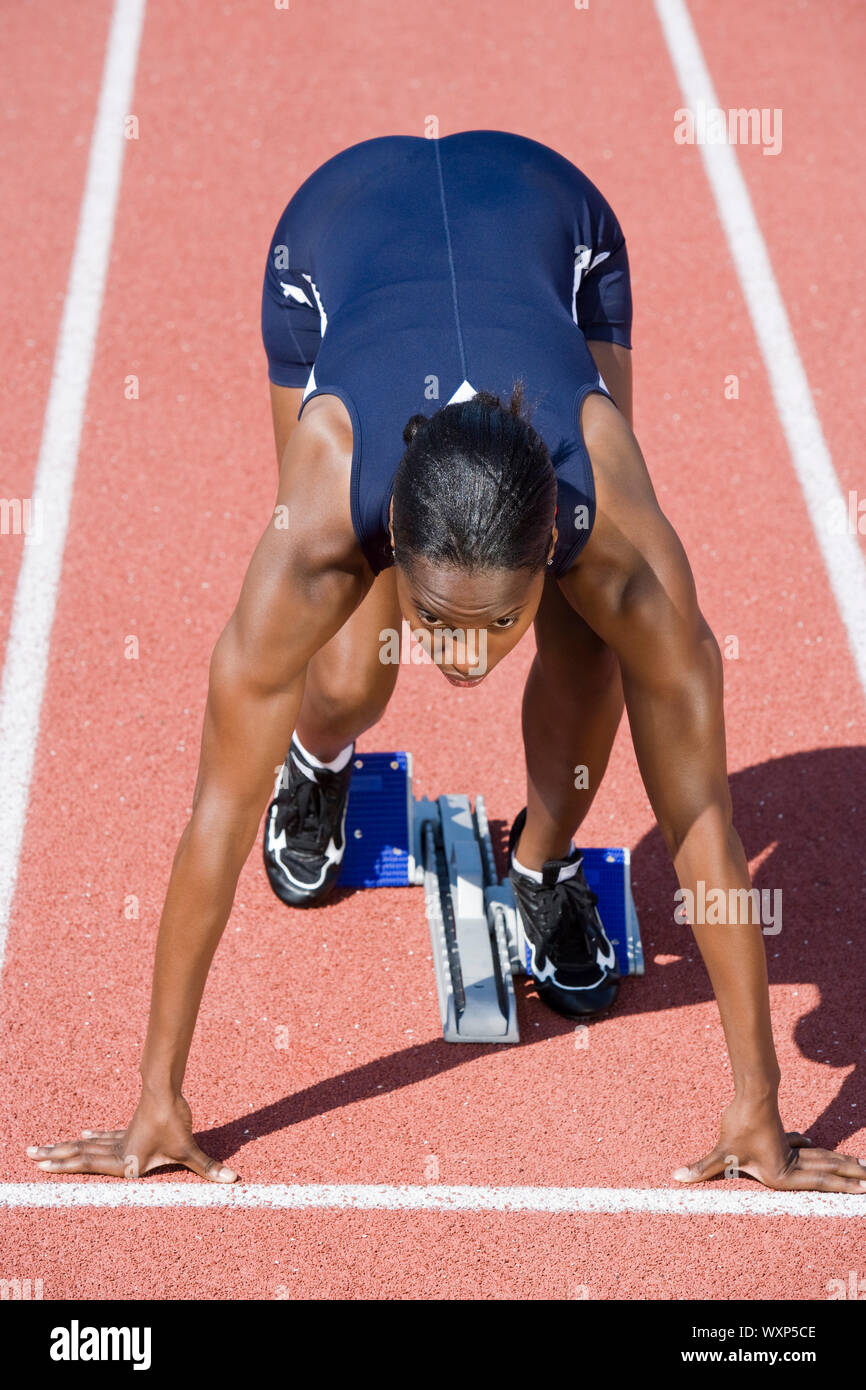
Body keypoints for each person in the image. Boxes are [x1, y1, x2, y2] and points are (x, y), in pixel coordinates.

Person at [26, 131, 865, 1194]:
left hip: (554, 220)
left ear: (548, 548)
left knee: (596, 646)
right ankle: (321, 764)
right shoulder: (325, 519)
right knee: (343, 677)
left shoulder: (617, 547)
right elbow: (212, 819)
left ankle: (542, 863)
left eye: (493, 622)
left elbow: (702, 817)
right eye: (433, 615)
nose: (462, 659)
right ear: (388, 546)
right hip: (336, 227)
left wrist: (759, 1109)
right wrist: (159, 1098)